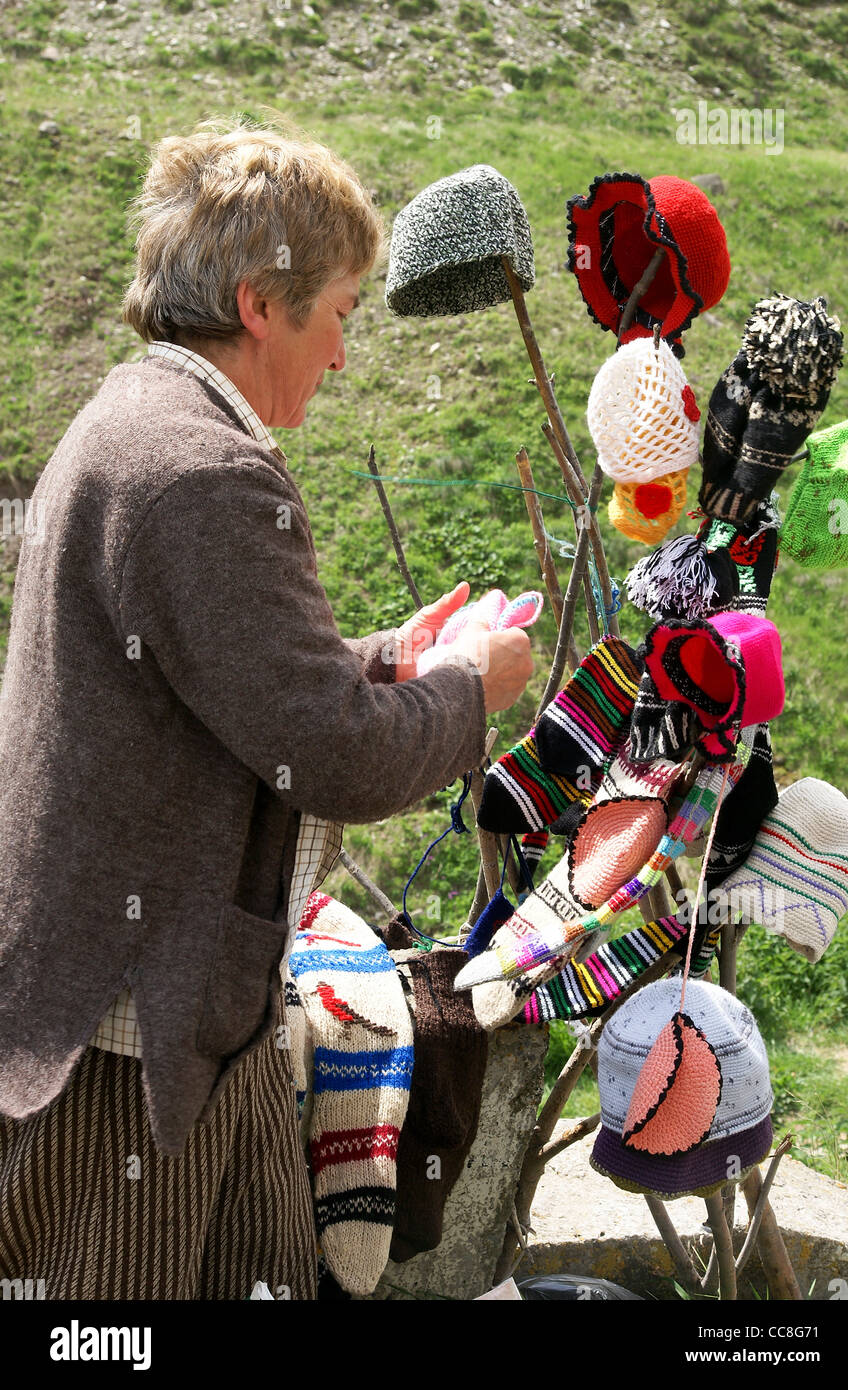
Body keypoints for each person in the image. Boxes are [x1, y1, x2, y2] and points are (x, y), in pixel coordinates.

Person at [0, 118, 533, 1300]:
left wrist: (397, 657)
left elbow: (234, 679)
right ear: (258, 303)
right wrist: (470, 691)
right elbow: (329, 753)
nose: (344, 354)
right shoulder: (203, 472)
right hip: (129, 1031)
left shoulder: (137, 424)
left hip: (182, 999)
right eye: (339, 311)